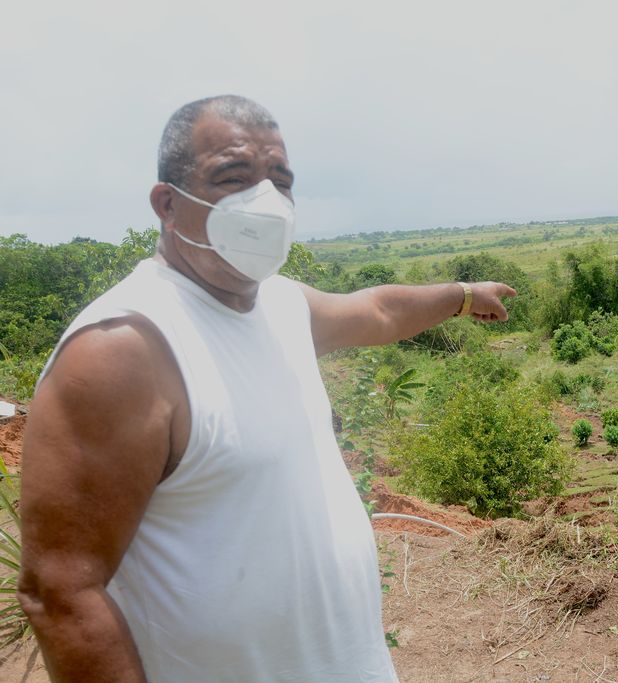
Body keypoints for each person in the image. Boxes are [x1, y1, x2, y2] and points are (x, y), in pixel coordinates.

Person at [17, 95, 516, 683]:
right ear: (168, 204)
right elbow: (61, 593)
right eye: (233, 178)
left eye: (280, 181)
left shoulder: (279, 303)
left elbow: (378, 310)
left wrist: (461, 294)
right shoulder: (124, 350)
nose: (266, 201)